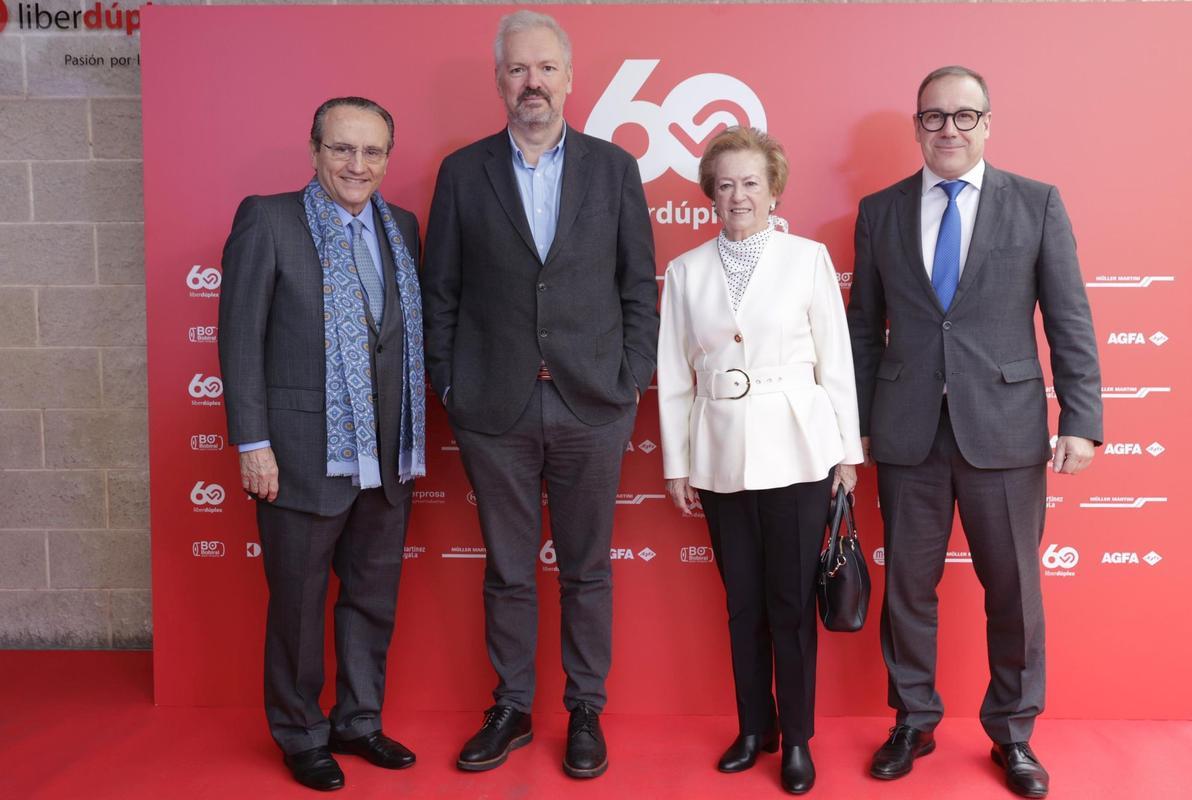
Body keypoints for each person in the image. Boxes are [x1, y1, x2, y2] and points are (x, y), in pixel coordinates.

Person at [847, 66, 1102, 799]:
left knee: (1014, 592)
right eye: (934, 117)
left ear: (988, 123)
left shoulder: (1036, 204)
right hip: (907, 433)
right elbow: (865, 328)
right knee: (909, 590)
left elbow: (1069, 320)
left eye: (964, 116)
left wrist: (1081, 419)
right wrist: (859, 423)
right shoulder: (880, 211)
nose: (949, 129)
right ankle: (913, 719)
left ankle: (1014, 733)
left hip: (1006, 430)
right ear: (917, 126)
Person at [421, 10, 658, 780]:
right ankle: (513, 709)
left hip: (594, 403)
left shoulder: (614, 168)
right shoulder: (462, 173)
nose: (533, 83)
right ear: (500, 81)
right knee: (509, 569)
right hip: (496, 407)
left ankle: (585, 708)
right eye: (519, 70)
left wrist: (629, 379)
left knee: (588, 567)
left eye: (546, 69)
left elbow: (636, 288)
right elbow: (441, 293)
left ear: (568, 78)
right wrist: (453, 386)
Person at [218, 96, 425, 792]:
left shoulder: (403, 226)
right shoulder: (268, 220)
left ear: (387, 159)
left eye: (371, 152)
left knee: (372, 597)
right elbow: (240, 338)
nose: (357, 164)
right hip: (302, 453)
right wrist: (252, 443)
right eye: (342, 149)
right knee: (299, 605)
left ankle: (358, 721)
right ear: (314, 151)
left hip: (388, 456)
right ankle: (301, 731)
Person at [657, 127, 863, 795]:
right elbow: (674, 372)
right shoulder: (685, 272)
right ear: (709, 194)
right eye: (725, 184)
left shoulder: (807, 259)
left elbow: (836, 360)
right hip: (718, 456)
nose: (738, 195)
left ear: (774, 190)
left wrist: (846, 452)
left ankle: (797, 738)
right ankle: (754, 728)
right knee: (743, 602)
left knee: (790, 603)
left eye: (751, 182)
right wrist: (676, 464)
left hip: (800, 453)